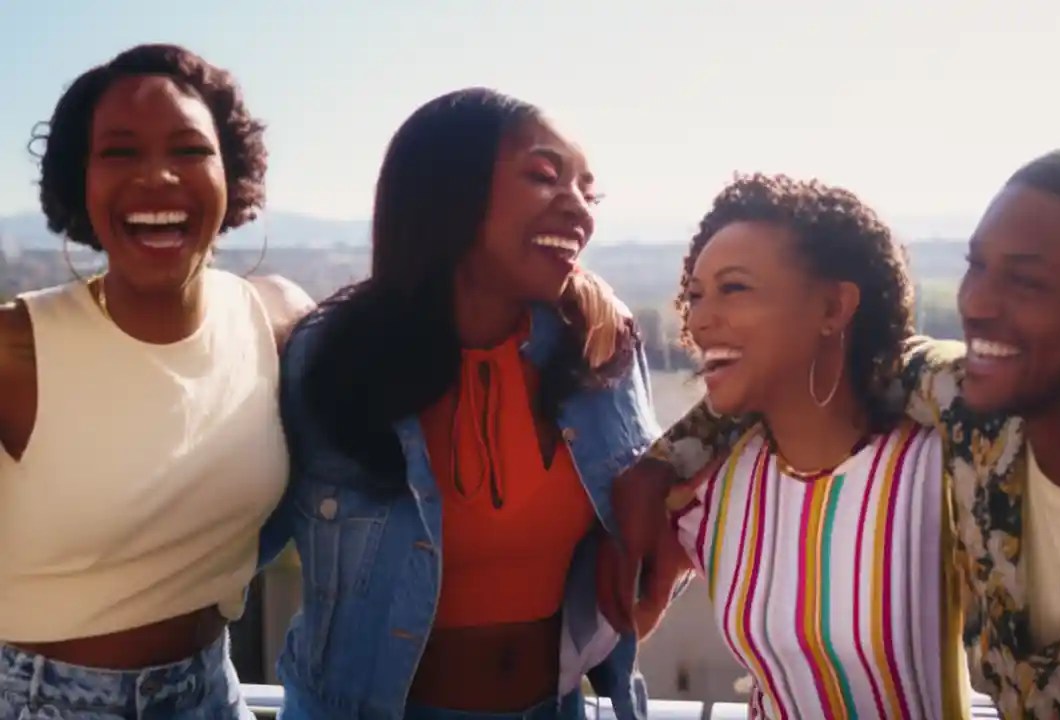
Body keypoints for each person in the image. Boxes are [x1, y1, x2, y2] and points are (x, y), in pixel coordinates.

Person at [609, 145, 1060, 717]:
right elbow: (867, 369)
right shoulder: (719, 478)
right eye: (975, 266)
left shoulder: (953, 456)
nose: (978, 302)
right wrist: (659, 464)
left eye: (1026, 279)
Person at [257, 87, 662, 720]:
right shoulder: (333, 356)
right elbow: (230, 539)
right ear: (449, 190)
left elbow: (661, 482)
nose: (579, 210)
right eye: (544, 177)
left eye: (590, 192)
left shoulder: (599, 346)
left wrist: (655, 514)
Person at [0, 44, 313, 720]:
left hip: (209, 692)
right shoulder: (14, 349)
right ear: (78, 181)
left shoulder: (276, 318)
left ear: (232, 171)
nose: (158, 176)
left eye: (189, 149)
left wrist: (573, 300)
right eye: (118, 152)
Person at [635, 173, 971, 719]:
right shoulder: (709, 487)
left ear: (834, 308)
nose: (700, 319)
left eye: (734, 288)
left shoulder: (937, 468)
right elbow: (618, 623)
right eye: (695, 295)